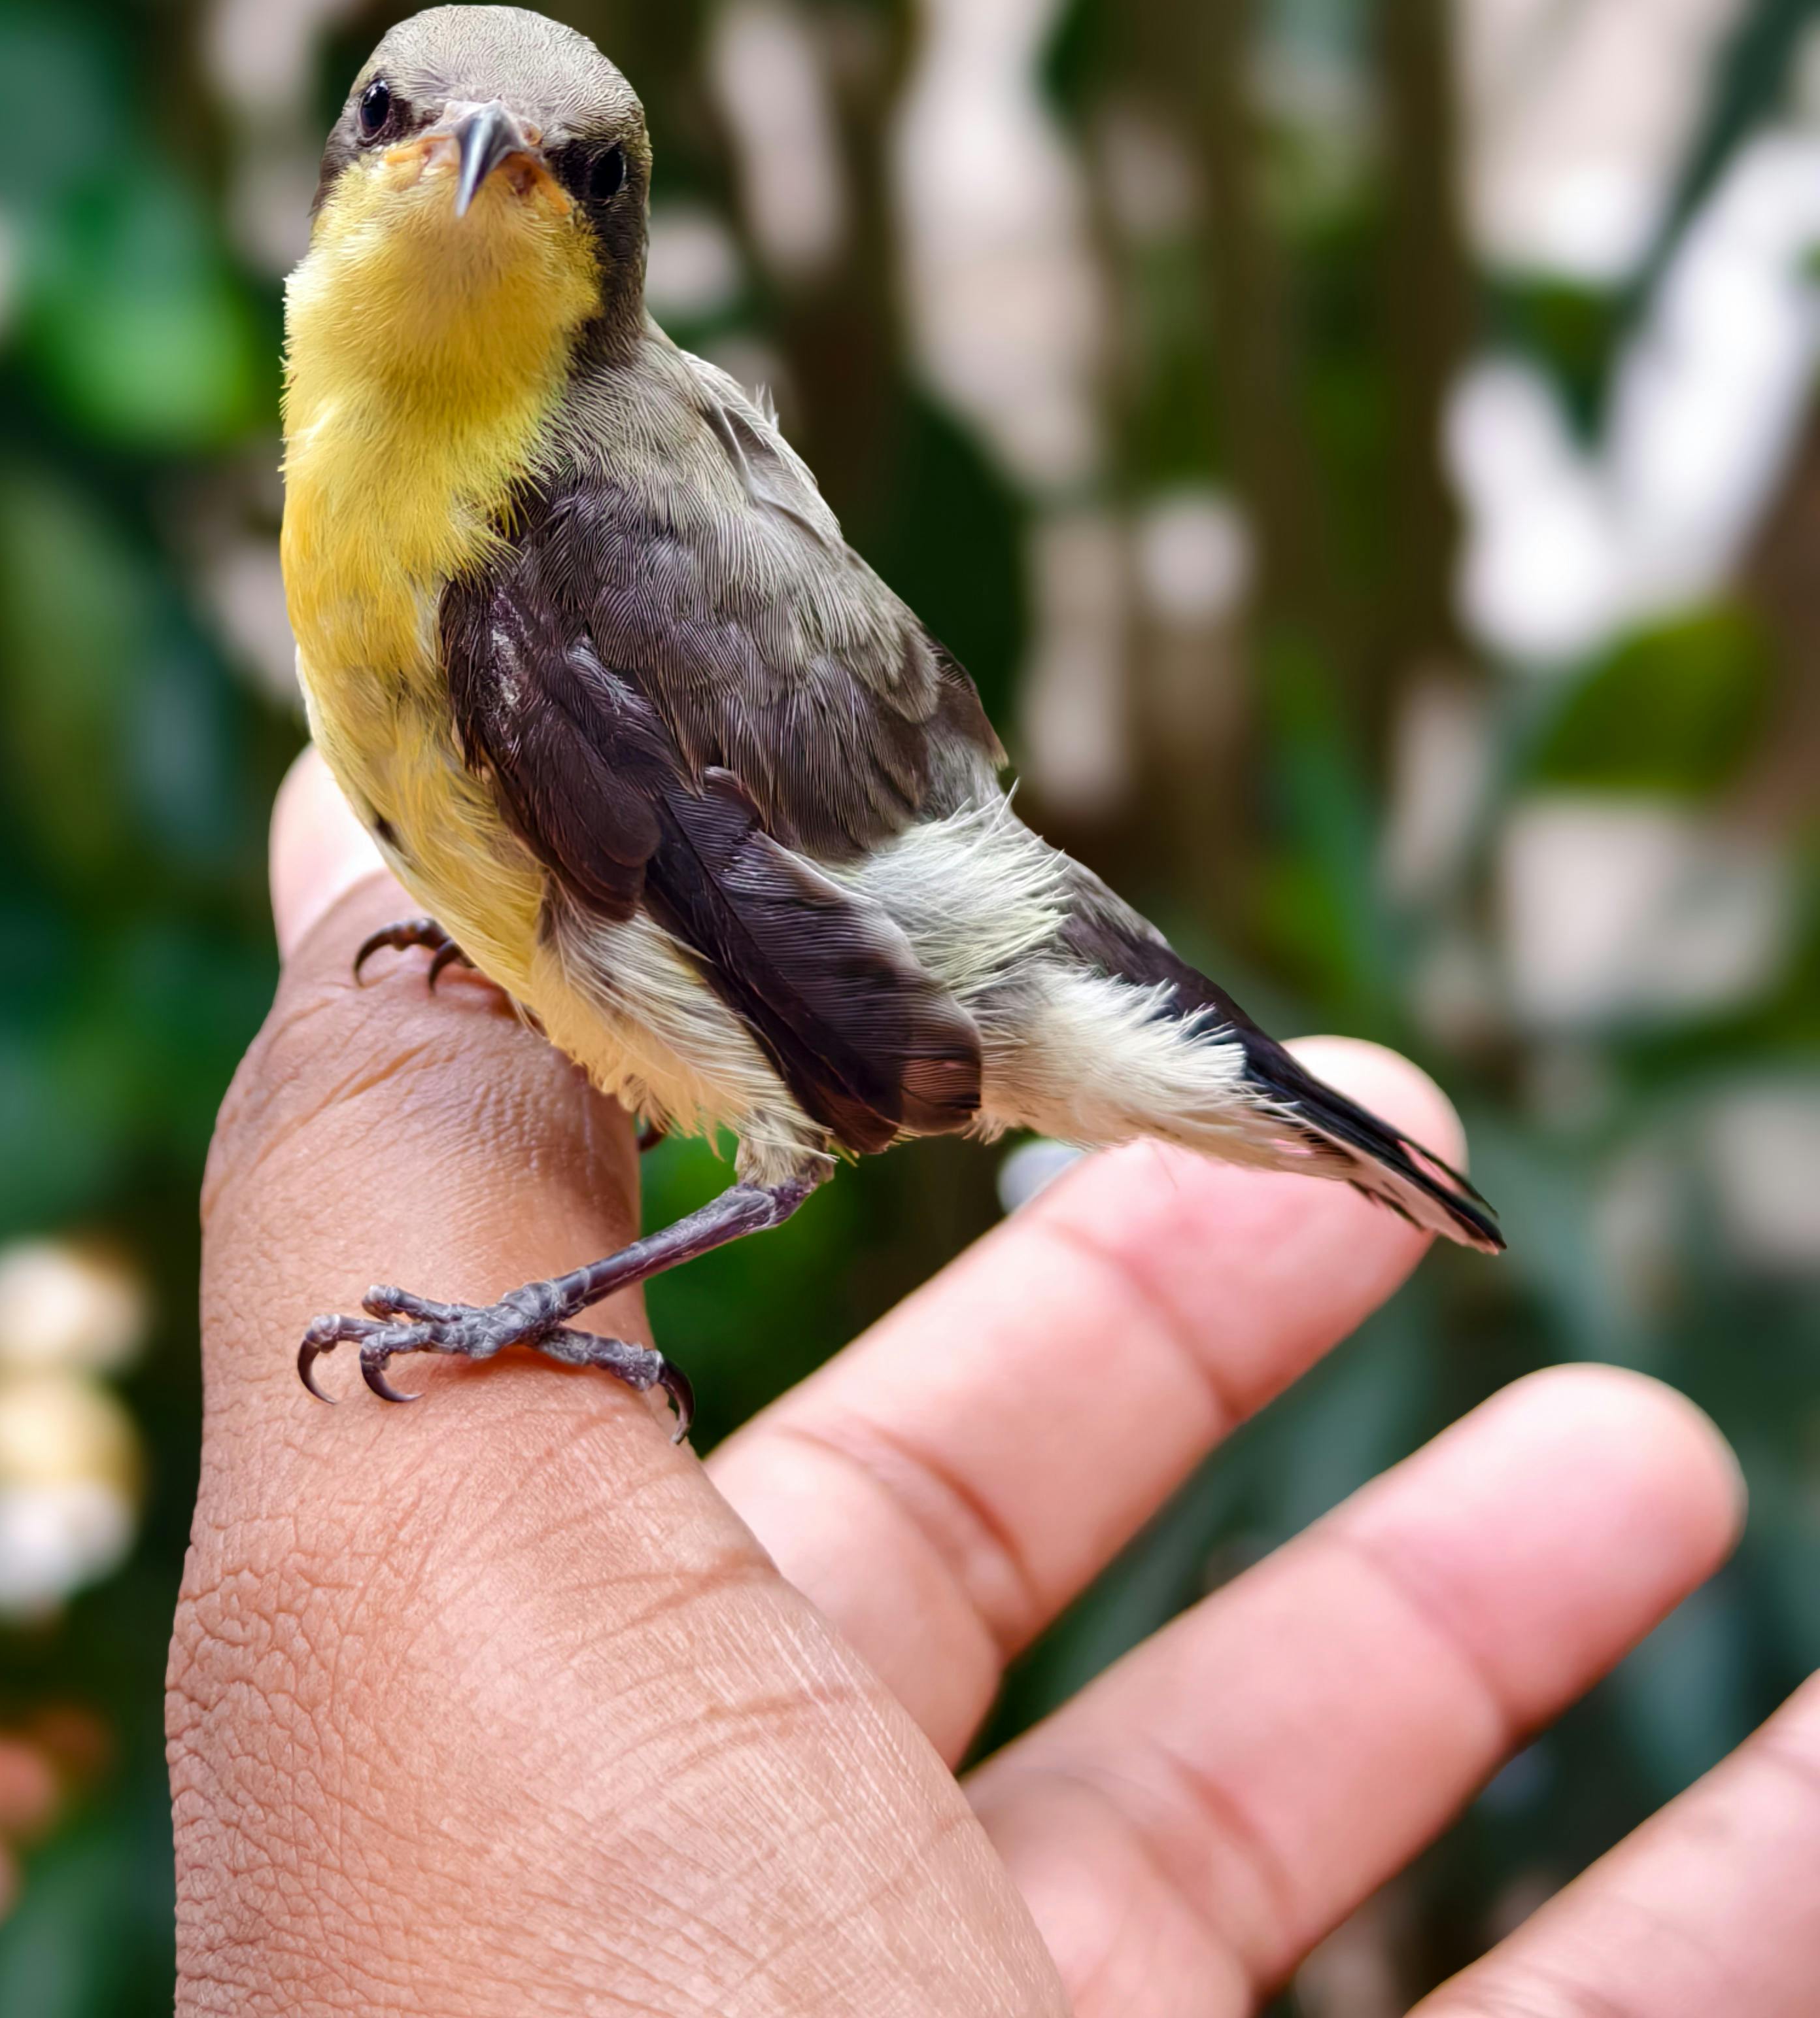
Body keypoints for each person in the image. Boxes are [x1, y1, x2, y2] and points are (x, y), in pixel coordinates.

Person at [167, 749, 1820, 2014]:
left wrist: (519, 1306)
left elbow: (811, 1111)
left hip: (949, 983)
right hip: (906, 959)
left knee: (784, 1151)